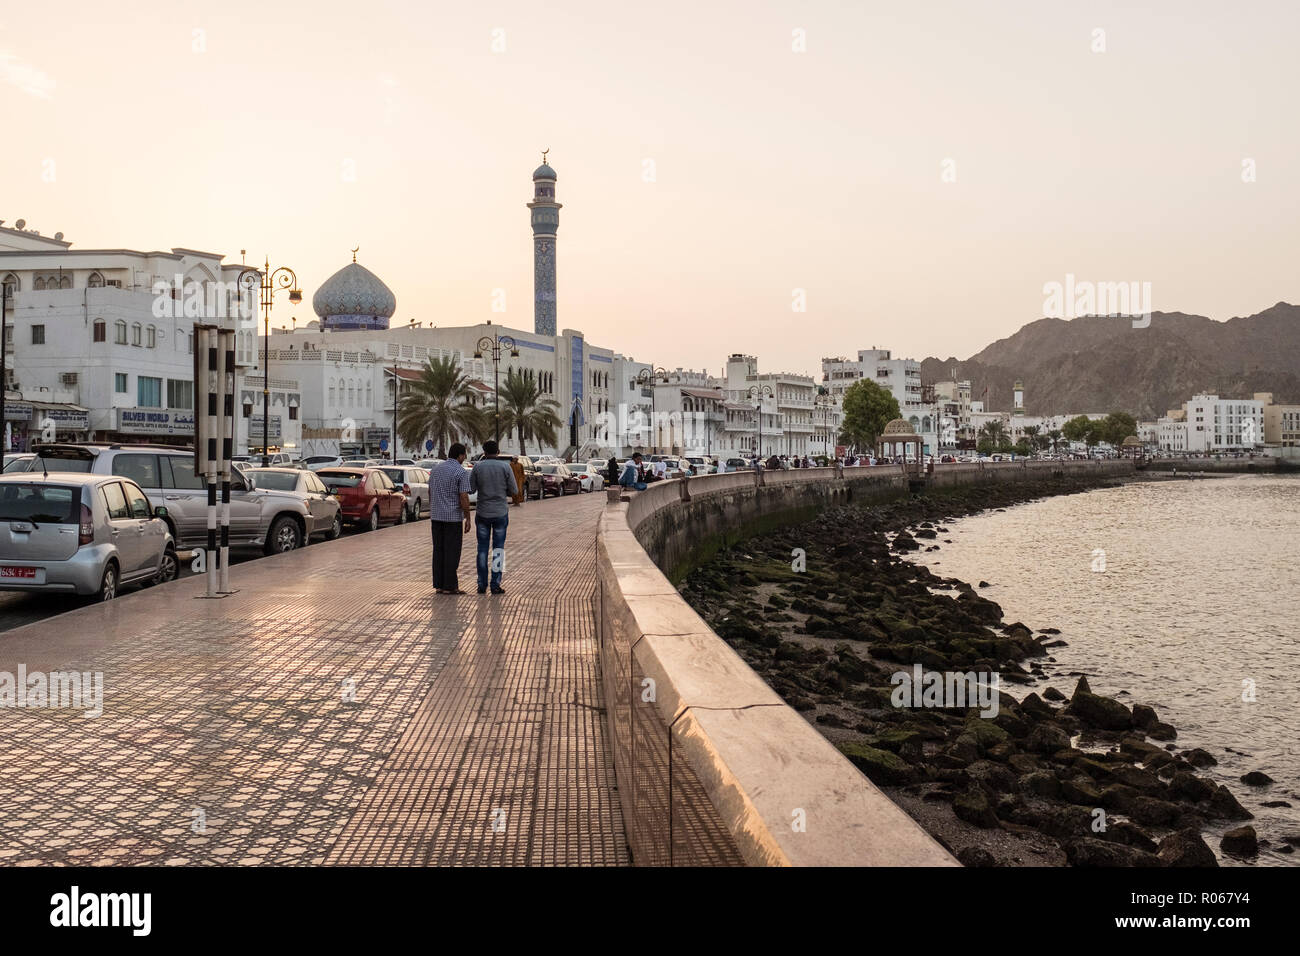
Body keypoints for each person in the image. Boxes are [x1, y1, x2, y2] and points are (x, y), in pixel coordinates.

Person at [469, 440, 518, 595]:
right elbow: (514, 490)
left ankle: (481, 584)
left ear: (484, 452)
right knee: (498, 549)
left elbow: (471, 489)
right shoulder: (505, 467)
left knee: (482, 549)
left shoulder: (477, 467)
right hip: (500, 513)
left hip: (483, 512)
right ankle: (495, 584)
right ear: (498, 451)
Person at [429, 442, 472, 595]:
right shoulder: (461, 472)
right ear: (460, 455)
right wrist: (467, 517)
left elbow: (430, 492)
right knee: (452, 552)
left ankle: (439, 585)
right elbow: (464, 497)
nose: (464, 458)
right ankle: (450, 586)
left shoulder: (435, 470)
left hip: (436, 517)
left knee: (438, 550)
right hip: (453, 518)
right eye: (464, 455)